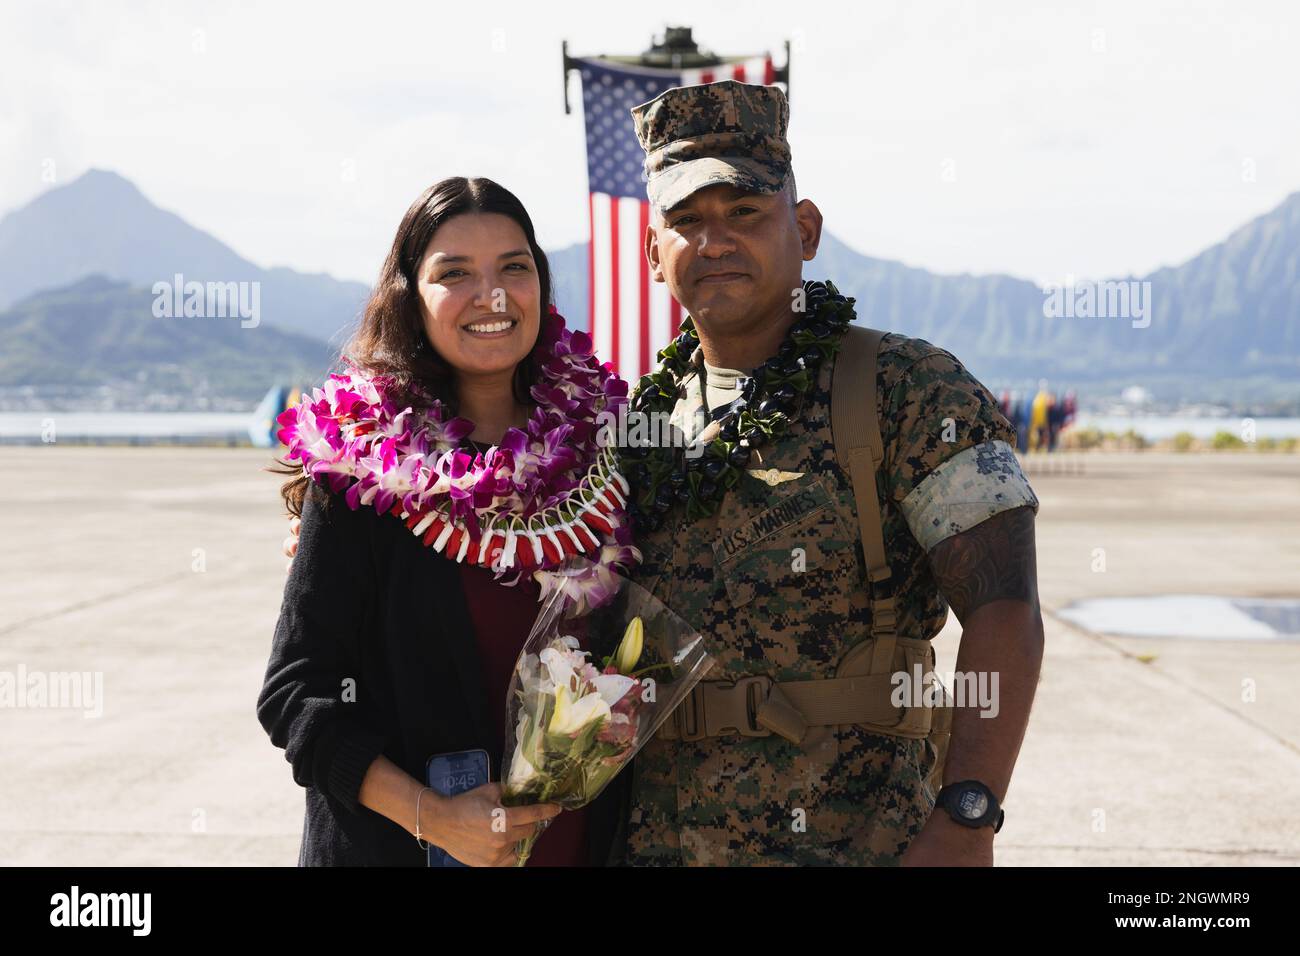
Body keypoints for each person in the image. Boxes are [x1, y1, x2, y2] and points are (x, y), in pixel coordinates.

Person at [605, 80, 1044, 866]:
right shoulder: (636, 423)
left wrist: (969, 813)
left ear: (804, 230)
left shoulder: (907, 389)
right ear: (652, 254)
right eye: (687, 221)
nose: (714, 242)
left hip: (863, 844)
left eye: (745, 212)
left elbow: (1004, 608)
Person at [259, 175, 627, 866]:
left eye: (514, 268)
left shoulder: (605, 453)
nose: (492, 296)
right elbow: (296, 696)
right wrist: (434, 818)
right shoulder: (361, 470)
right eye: (455, 273)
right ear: (411, 297)